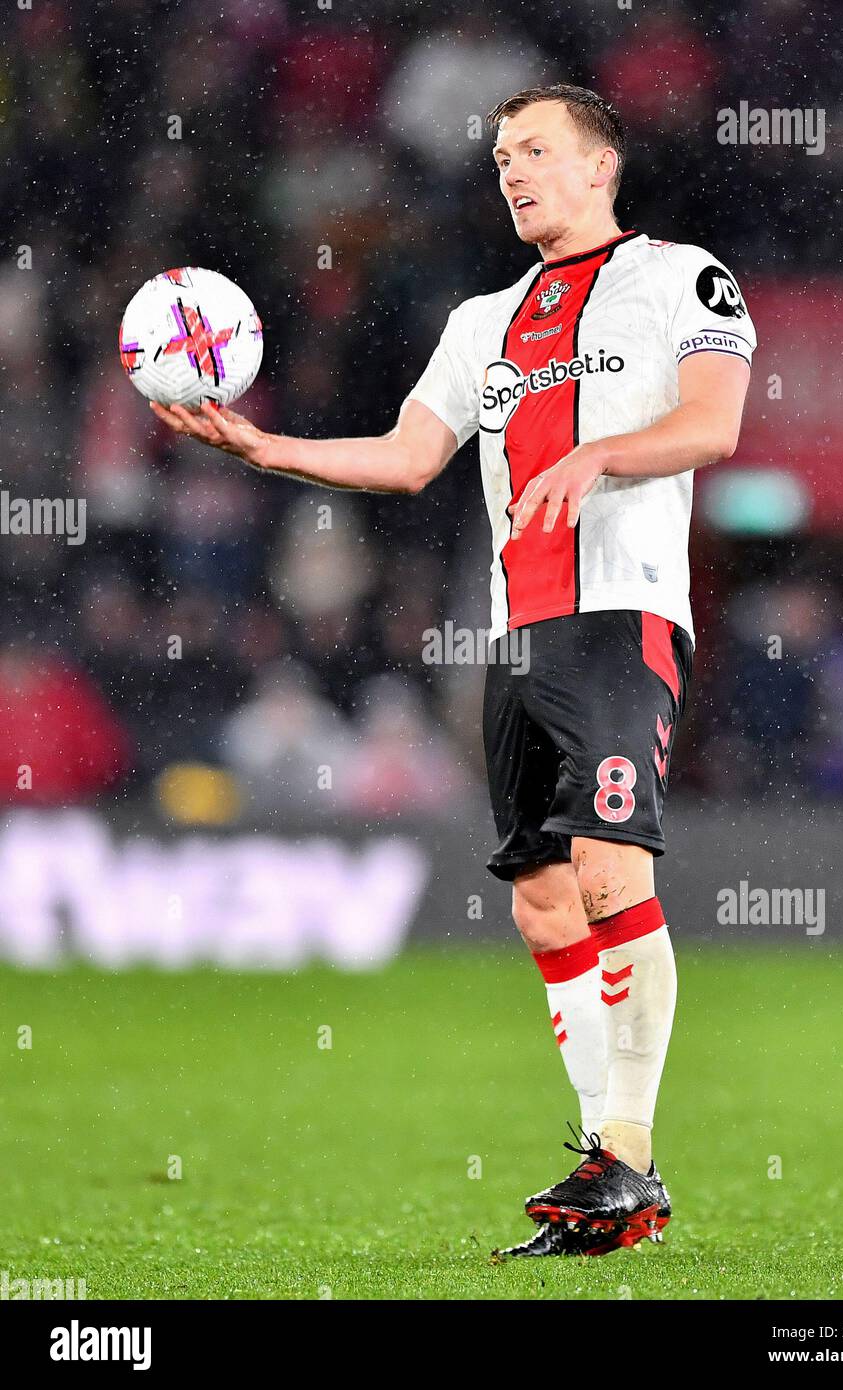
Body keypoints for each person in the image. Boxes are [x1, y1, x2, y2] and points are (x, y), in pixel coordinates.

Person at [152, 84, 756, 1258]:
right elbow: (406, 456)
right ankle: (604, 1174)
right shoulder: (485, 318)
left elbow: (713, 425)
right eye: (498, 158)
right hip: (516, 638)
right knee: (539, 903)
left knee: (606, 865)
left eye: (535, 151)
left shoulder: (681, 276)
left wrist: (597, 455)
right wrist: (263, 445)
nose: (512, 171)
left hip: (618, 614)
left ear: (599, 167)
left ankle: (628, 1154)